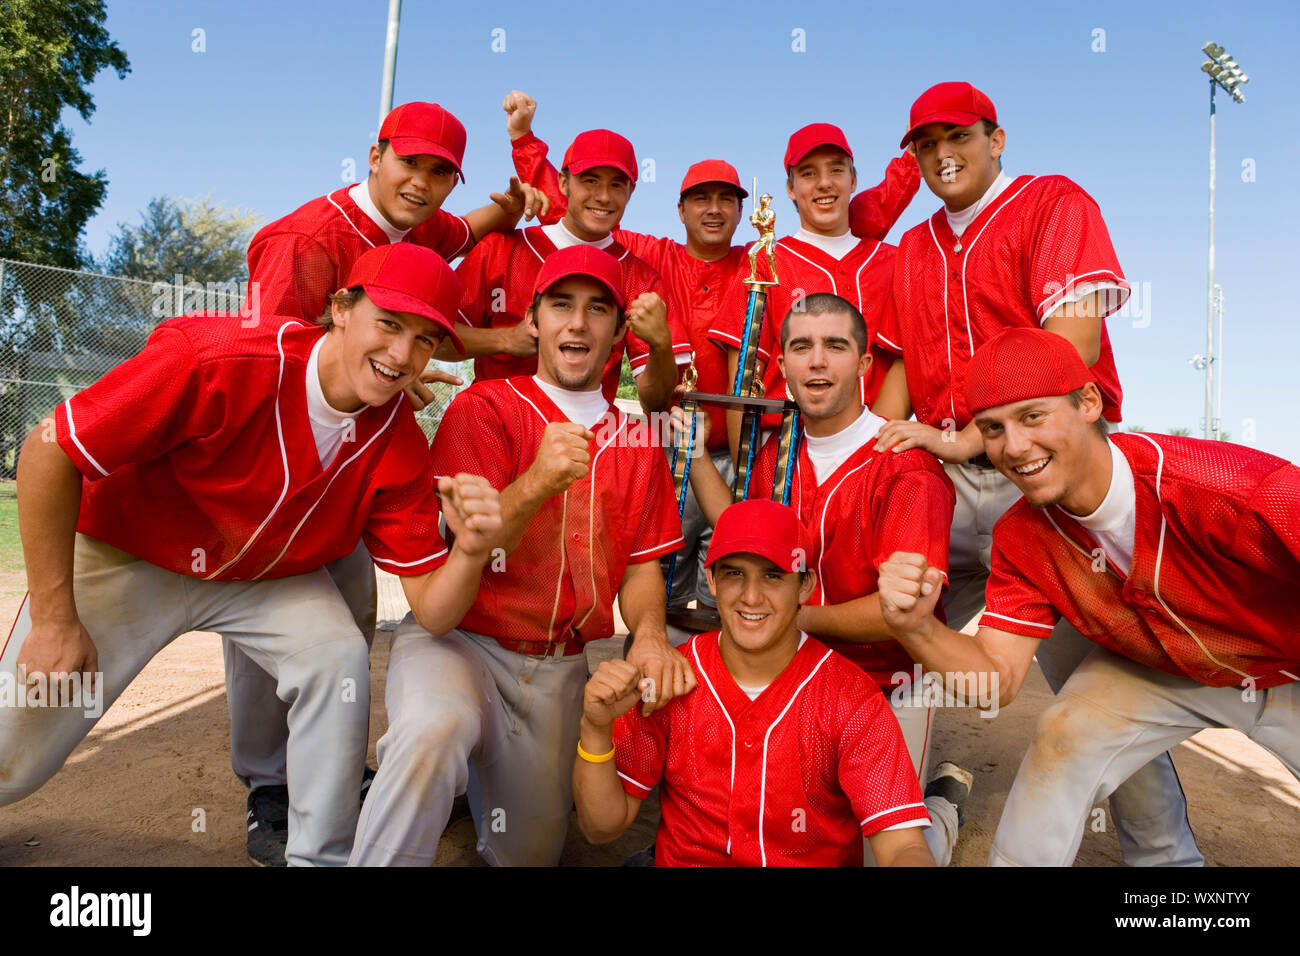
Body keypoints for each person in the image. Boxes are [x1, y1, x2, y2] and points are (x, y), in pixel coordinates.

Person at [0, 243, 503, 866]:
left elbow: (431, 608)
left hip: (261, 579)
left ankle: (318, 857)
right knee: (13, 757)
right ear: (341, 309)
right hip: (132, 555)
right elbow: (48, 449)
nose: (402, 354)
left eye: (425, 339)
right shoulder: (217, 356)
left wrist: (473, 550)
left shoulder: (396, 438)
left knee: (336, 659)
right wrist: (54, 620)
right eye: (390, 323)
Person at [867, 81, 1200, 865]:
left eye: (960, 136)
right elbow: (905, 372)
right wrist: (878, 452)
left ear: (998, 137)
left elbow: (1070, 348)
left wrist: (970, 440)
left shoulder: (1050, 201)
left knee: (1100, 681)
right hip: (941, 482)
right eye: (924, 143)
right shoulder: (912, 248)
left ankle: (1166, 864)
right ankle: (895, 830)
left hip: (1044, 476)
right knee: (898, 641)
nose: (942, 153)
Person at [235, 100, 546, 865]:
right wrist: (394, 368)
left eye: (442, 171)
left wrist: (504, 208)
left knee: (344, 623)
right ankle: (271, 790)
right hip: (268, 471)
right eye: (412, 163)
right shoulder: (310, 240)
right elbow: (271, 357)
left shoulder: (420, 224)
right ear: (374, 154)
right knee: (262, 620)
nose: (425, 183)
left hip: (352, 467)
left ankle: (329, 777)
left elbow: (460, 232)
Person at [877, 326, 1300, 866]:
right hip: (1162, 671)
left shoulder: (1229, 484)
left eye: (1033, 416)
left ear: (1088, 402)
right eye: (992, 428)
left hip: (1288, 672)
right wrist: (917, 627)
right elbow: (997, 681)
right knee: (1065, 736)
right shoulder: (1021, 536)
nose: (1014, 446)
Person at [502, 91, 917, 615]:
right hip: (677, 449)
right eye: (700, 198)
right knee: (664, 581)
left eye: (727, 199)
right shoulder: (655, 255)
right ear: (680, 209)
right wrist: (525, 145)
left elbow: (862, 219)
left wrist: (909, 156)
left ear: (746, 211)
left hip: (755, 457)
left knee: (727, 588)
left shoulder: (763, 258)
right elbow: (586, 213)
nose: (714, 209)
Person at [350, 245, 692, 867]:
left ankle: (477, 781)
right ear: (534, 320)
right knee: (435, 731)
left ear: (619, 330)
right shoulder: (482, 407)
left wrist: (647, 634)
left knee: (529, 854)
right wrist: (535, 482)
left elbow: (642, 563)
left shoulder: (639, 438)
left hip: (560, 667)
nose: (578, 323)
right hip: (461, 644)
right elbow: (464, 549)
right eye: (561, 305)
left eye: (597, 309)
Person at [683, 294, 968, 865]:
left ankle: (941, 807)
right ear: (782, 366)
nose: (817, 362)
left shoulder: (905, 464)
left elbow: (898, 613)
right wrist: (692, 452)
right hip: (798, 673)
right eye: (801, 347)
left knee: (881, 846)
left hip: (889, 680)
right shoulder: (776, 453)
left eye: (835, 346)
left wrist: (795, 617)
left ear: (864, 364)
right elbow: (742, 531)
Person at [574, 498, 936, 867]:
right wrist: (596, 728)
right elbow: (600, 828)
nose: (750, 596)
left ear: (804, 586)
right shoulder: (673, 677)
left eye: (773, 575)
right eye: (734, 574)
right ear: (711, 580)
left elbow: (903, 846)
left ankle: (944, 807)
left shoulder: (850, 696)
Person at [448, 112, 691, 412]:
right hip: (493, 427)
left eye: (617, 184)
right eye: (590, 180)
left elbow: (655, 405)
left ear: (631, 191)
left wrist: (661, 345)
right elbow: (436, 338)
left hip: (585, 442)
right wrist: (504, 339)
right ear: (563, 183)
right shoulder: (502, 247)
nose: (603, 196)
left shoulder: (642, 279)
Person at [706, 122, 917, 456]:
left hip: (875, 444)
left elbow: (901, 365)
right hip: (786, 451)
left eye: (836, 169)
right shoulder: (767, 259)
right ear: (790, 188)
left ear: (854, 180)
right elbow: (743, 382)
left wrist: (870, 454)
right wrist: (744, 478)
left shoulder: (893, 260)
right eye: (808, 173)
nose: (824, 183)